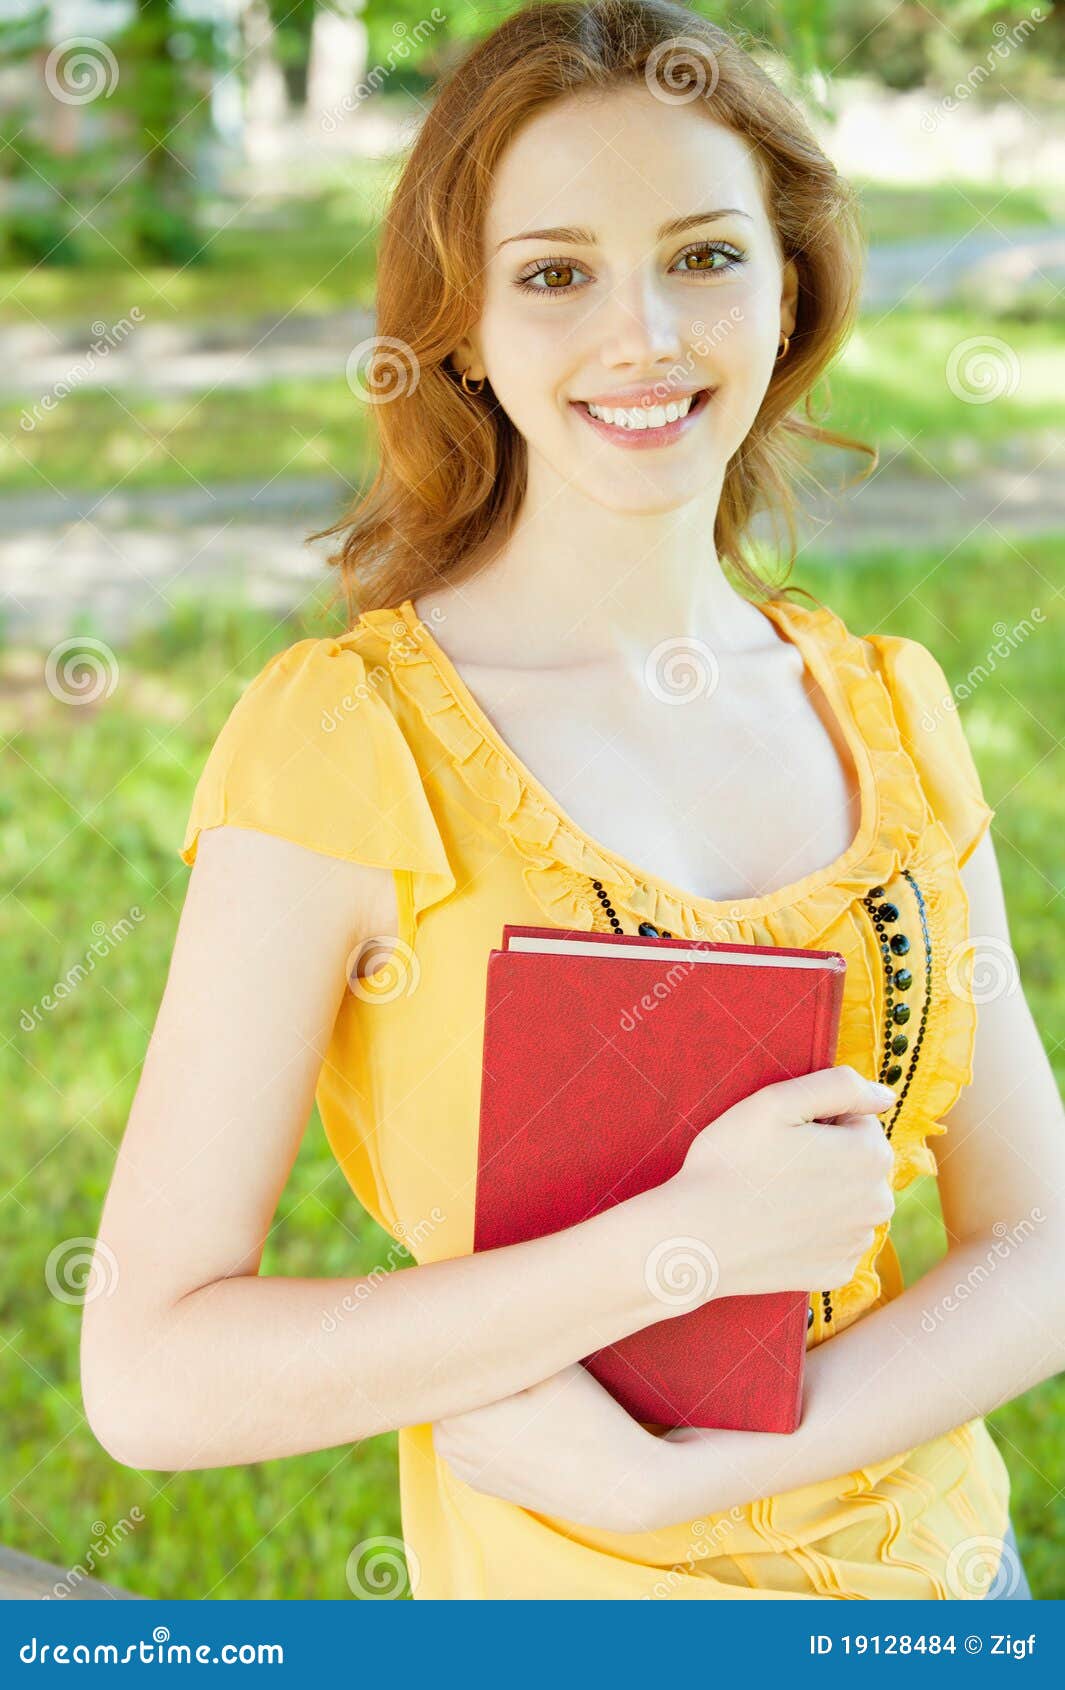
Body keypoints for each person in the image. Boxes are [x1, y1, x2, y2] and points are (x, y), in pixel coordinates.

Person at [81, 1, 1062, 1600]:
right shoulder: (348, 739)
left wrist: (710, 1466)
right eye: (554, 274)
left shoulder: (888, 707)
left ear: (789, 278)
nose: (645, 337)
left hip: (945, 1593)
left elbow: (1037, 1243)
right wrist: (675, 1247)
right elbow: (151, 1371)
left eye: (703, 256)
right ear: (460, 323)